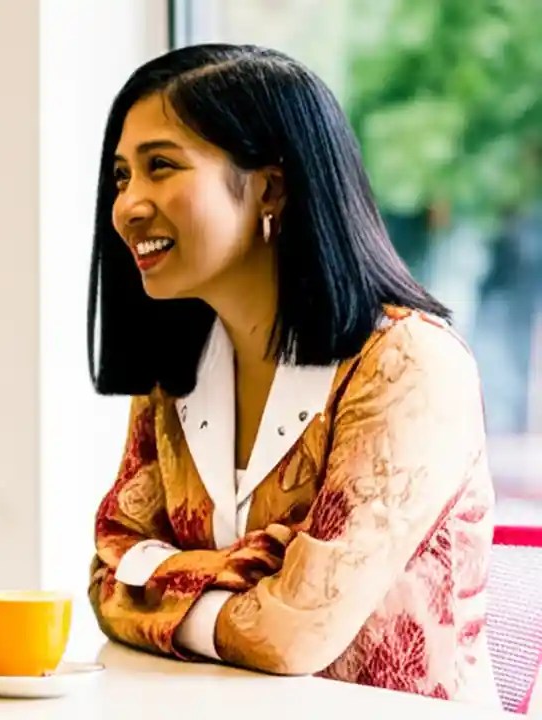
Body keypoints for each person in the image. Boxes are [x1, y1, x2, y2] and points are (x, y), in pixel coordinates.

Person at [85, 45, 496, 706]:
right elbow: (108, 577)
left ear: (271, 187)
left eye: (160, 167)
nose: (128, 205)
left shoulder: (409, 364)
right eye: (121, 176)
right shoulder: (175, 369)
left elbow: (297, 631)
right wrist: (255, 570)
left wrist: (169, 582)